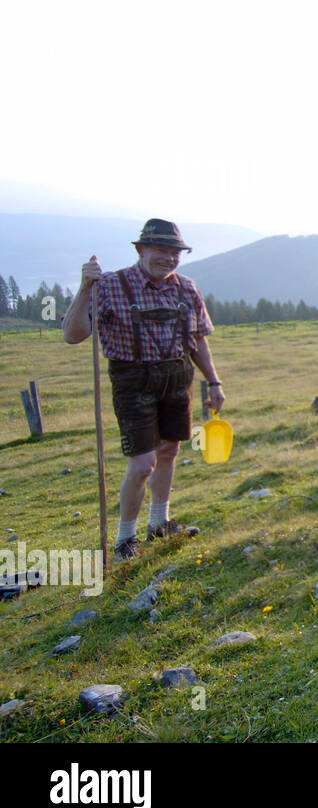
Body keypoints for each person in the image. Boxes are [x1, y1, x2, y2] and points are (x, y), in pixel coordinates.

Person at [62, 219, 226, 561]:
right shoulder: (108, 286)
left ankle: (159, 523)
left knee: (169, 453)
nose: (169, 258)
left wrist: (214, 381)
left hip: (178, 377)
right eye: (161, 251)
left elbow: (197, 341)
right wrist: (84, 287)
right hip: (132, 381)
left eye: (174, 252)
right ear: (141, 250)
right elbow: (73, 334)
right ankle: (124, 539)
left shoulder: (187, 288)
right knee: (142, 464)